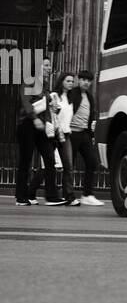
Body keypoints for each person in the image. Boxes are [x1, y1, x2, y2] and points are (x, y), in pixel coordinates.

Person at [16, 56, 61, 205]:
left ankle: (51, 196)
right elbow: (26, 102)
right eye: (46, 65)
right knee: (25, 161)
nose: (49, 68)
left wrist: (53, 109)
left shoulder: (46, 85)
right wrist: (34, 118)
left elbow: (46, 106)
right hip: (28, 124)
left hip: (41, 126)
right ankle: (21, 197)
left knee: (49, 158)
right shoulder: (29, 81)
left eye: (49, 66)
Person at [68, 68, 103, 205]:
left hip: (84, 134)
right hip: (71, 133)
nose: (86, 83)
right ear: (78, 80)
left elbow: (90, 116)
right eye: (83, 80)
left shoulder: (89, 96)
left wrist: (91, 134)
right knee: (69, 165)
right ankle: (68, 195)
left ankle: (87, 194)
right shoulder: (72, 93)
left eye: (88, 80)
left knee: (92, 162)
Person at [49, 72, 80, 206]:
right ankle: (31, 192)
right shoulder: (54, 96)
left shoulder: (71, 98)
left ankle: (69, 196)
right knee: (48, 165)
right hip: (54, 135)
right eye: (68, 81)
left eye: (72, 81)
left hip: (66, 135)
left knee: (68, 166)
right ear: (61, 81)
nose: (70, 83)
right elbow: (51, 115)